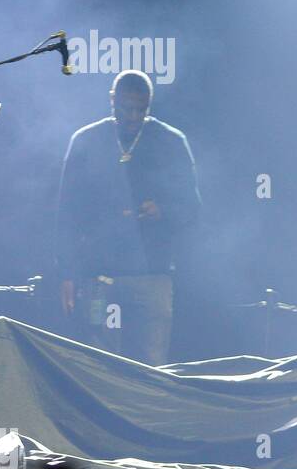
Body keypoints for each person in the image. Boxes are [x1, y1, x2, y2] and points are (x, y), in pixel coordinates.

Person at [57, 69, 201, 365]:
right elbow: (66, 214)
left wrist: (163, 210)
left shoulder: (170, 141)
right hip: (98, 274)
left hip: (152, 274)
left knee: (151, 365)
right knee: (98, 366)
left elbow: (192, 207)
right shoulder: (86, 140)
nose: (133, 116)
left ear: (150, 105)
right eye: (126, 108)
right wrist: (67, 273)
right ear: (112, 100)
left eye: (141, 109)